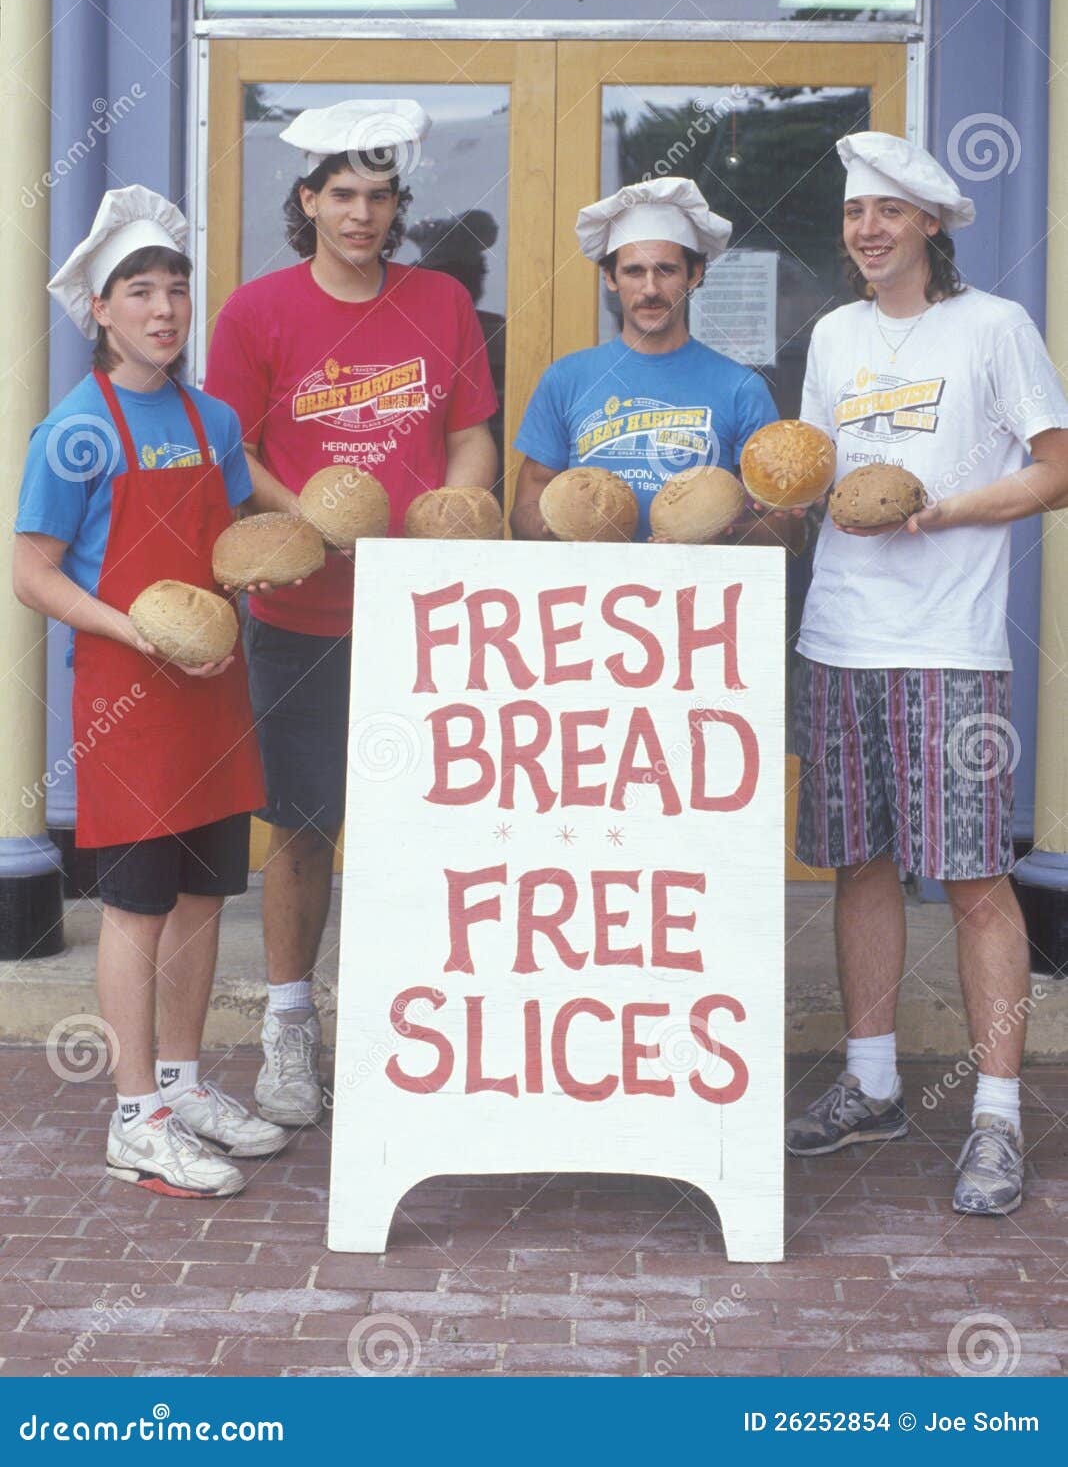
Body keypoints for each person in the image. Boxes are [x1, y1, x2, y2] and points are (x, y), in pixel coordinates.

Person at [787, 131, 1068, 1215]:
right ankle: (870, 1083)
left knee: (973, 880)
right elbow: (812, 472)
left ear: (931, 227)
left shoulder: (991, 327)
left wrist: (948, 507)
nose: (868, 231)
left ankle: (994, 1114)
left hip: (948, 644)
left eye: (890, 214)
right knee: (858, 863)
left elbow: (1056, 466)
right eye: (857, 214)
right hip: (840, 635)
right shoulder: (832, 333)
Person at [205, 100, 498, 1128]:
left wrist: (450, 517)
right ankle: (290, 1027)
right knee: (299, 827)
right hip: (302, 612)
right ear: (307, 201)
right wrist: (311, 518)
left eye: (379, 196)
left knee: (426, 825)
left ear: (396, 206)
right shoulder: (256, 312)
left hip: (424, 614)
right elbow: (229, 448)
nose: (362, 214)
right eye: (342, 195)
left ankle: (409, 1030)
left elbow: (471, 434)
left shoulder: (441, 305)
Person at [14, 186, 285, 1197]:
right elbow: (32, 572)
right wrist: (137, 629)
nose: (165, 308)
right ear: (102, 310)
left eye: (176, 288)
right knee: (133, 908)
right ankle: (135, 1114)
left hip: (213, 690)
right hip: (127, 699)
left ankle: (183, 1082)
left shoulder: (213, 420)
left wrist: (264, 566)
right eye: (141, 290)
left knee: (206, 896)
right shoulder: (74, 431)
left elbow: (220, 543)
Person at [510, 176, 804, 553]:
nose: (650, 289)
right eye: (634, 271)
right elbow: (524, 506)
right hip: (590, 599)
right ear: (610, 277)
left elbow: (789, 533)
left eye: (665, 270)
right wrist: (556, 527)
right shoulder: (566, 379)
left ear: (694, 275)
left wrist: (728, 536)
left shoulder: (740, 388)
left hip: (706, 603)